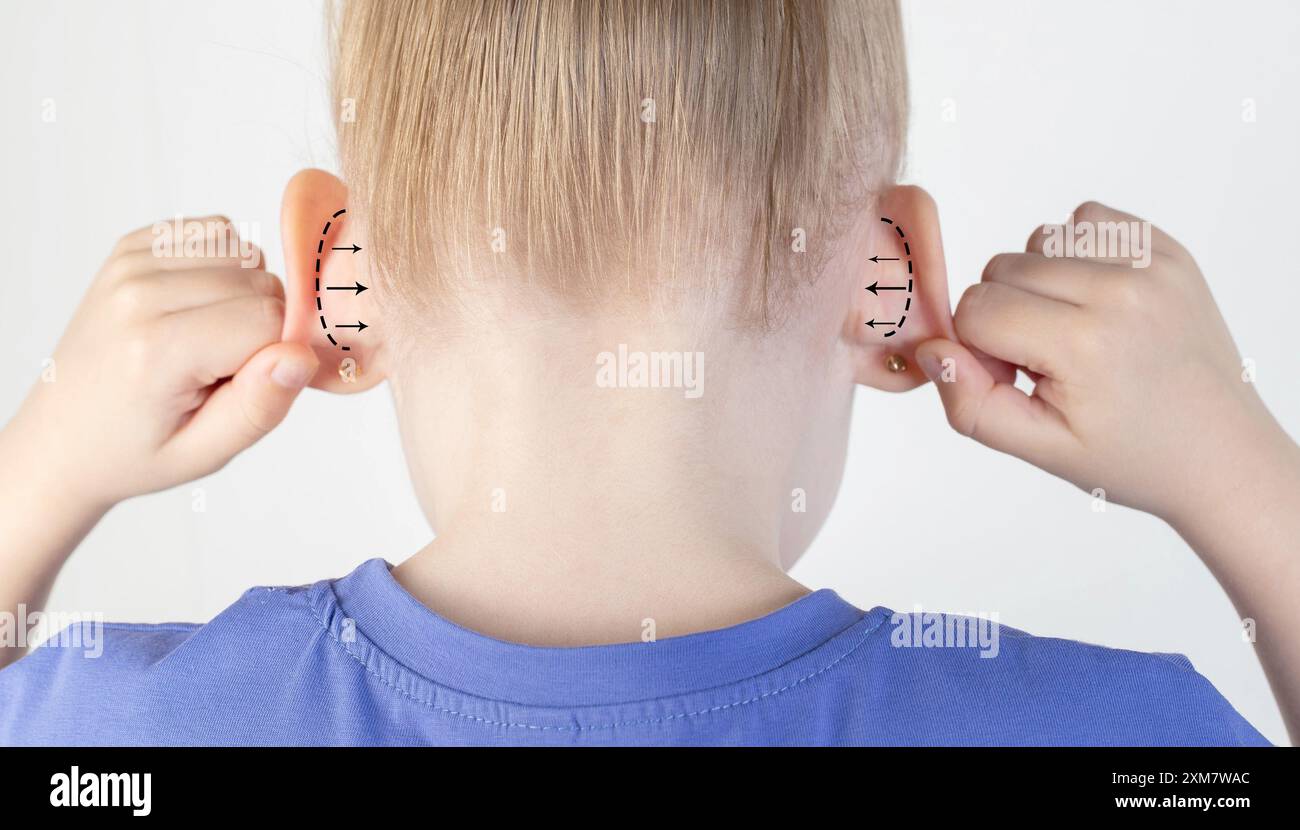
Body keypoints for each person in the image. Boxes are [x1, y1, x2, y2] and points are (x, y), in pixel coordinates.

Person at [0, 0, 1291, 745]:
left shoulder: (108, 730)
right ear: (894, 274)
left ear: (338, 272)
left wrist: (40, 466)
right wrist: (1234, 468)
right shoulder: (1119, 736)